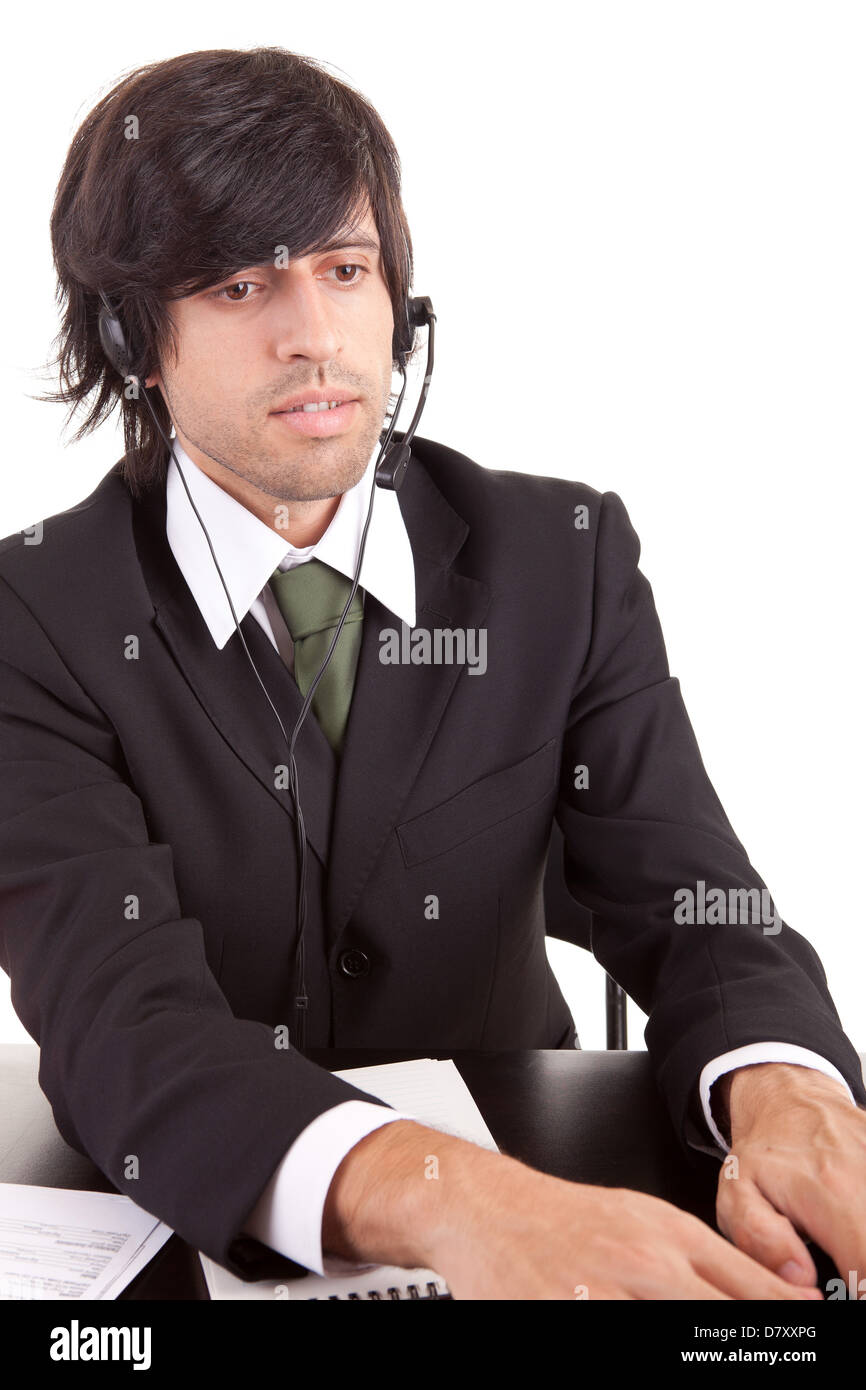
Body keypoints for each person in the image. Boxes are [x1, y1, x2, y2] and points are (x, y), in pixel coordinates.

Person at [0, 45, 863, 1302]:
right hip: (200, 1217)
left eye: (344, 271)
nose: (312, 334)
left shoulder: (560, 557)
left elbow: (693, 899)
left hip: (553, 1182)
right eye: (241, 284)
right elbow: (116, 1014)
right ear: (136, 336)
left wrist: (781, 1089)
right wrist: (461, 1206)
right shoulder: (34, 615)